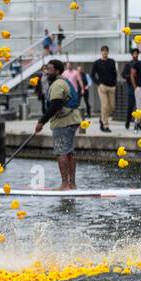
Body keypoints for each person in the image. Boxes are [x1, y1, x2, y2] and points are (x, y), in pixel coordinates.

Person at [34, 59, 83, 190]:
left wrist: (41, 122)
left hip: (64, 122)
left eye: (50, 69)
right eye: (47, 69)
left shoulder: (57, 84)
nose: (47, 72)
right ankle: (72, 184)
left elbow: (55, 105)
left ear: (57, 71)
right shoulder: (63, 81)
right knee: (69, 152)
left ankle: (65, 184)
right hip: (72, 120)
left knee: (61, 152)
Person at [91, 45, 118, 133]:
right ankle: (105, 125)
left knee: (112, 107)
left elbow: (115, 73)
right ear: (101, 52)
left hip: (112, 87)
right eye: (103, 51)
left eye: (106, 51)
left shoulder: (112, 61)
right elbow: (92, 75)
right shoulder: (97, 63)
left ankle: (102, 119)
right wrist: (98, 84)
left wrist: (115, 84)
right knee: (105, 106)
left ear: (108, 52)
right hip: (102, 87)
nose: (105, 52)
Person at [121, 46, 139, 127]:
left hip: (139, 87)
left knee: (139, 106)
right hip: (131, 87)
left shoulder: (140, 63)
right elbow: (123, 75)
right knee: (131, 105)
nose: (135, 55)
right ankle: (128, 120)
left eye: (137, 54)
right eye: (134, 54)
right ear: (132, 55)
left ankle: (138, 123)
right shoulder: (128, 64)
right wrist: (130, 76)